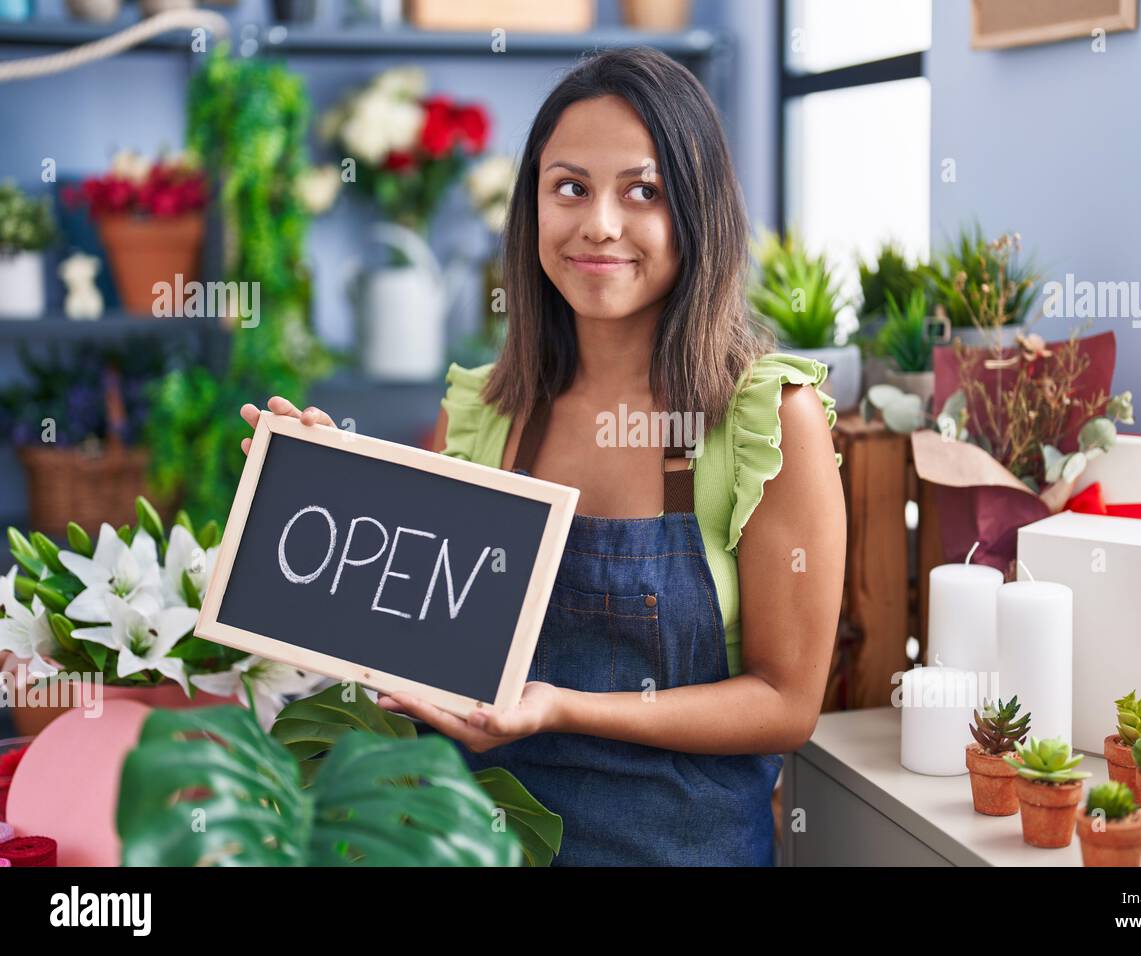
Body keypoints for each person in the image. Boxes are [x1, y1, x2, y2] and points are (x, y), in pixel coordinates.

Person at [240, 47, 845, 866]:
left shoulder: (768, 420)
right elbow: (430, 644)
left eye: (644, 191)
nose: (599, 222)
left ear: (698, 212)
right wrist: (331, 487)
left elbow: (786, 703)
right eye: (570, 188)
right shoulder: (489, 408)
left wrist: (563, 708)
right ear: (531, 210)